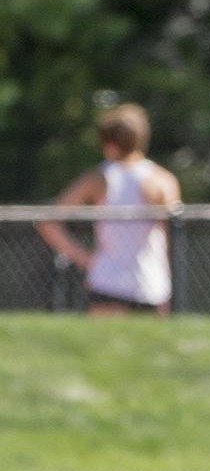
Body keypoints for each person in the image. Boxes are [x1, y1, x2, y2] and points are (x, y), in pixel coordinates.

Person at [36, 102, 182, 315]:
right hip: (151, 283)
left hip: (108, 281)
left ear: (109, 143)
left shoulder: (97, 179)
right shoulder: (162, 181)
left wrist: (85, 259)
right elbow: (173, 236)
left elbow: (48, 222)